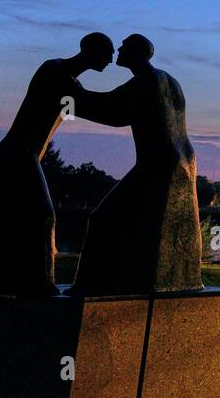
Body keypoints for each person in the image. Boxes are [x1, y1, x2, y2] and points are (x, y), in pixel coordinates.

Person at [0, 32, 115, 296]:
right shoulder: (56, 72)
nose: (111, 59)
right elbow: (93, 107)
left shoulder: (66, 77)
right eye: (108, 52)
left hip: (20, 156)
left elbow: (87, 104)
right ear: (90, 49)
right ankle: (39, 281)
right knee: (43, 215)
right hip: (18, 156)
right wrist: (135, 105)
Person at [69, 33, 202, 295]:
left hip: (157, 164)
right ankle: (156, 279)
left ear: (138, 54)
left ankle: (90, 286)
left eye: (124, 47)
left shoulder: (144, 82)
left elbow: (110, 111)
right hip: (185, 163)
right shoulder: (169, 81)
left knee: (103, 219)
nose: (118, 50)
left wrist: (71, 96)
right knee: (157, 227)